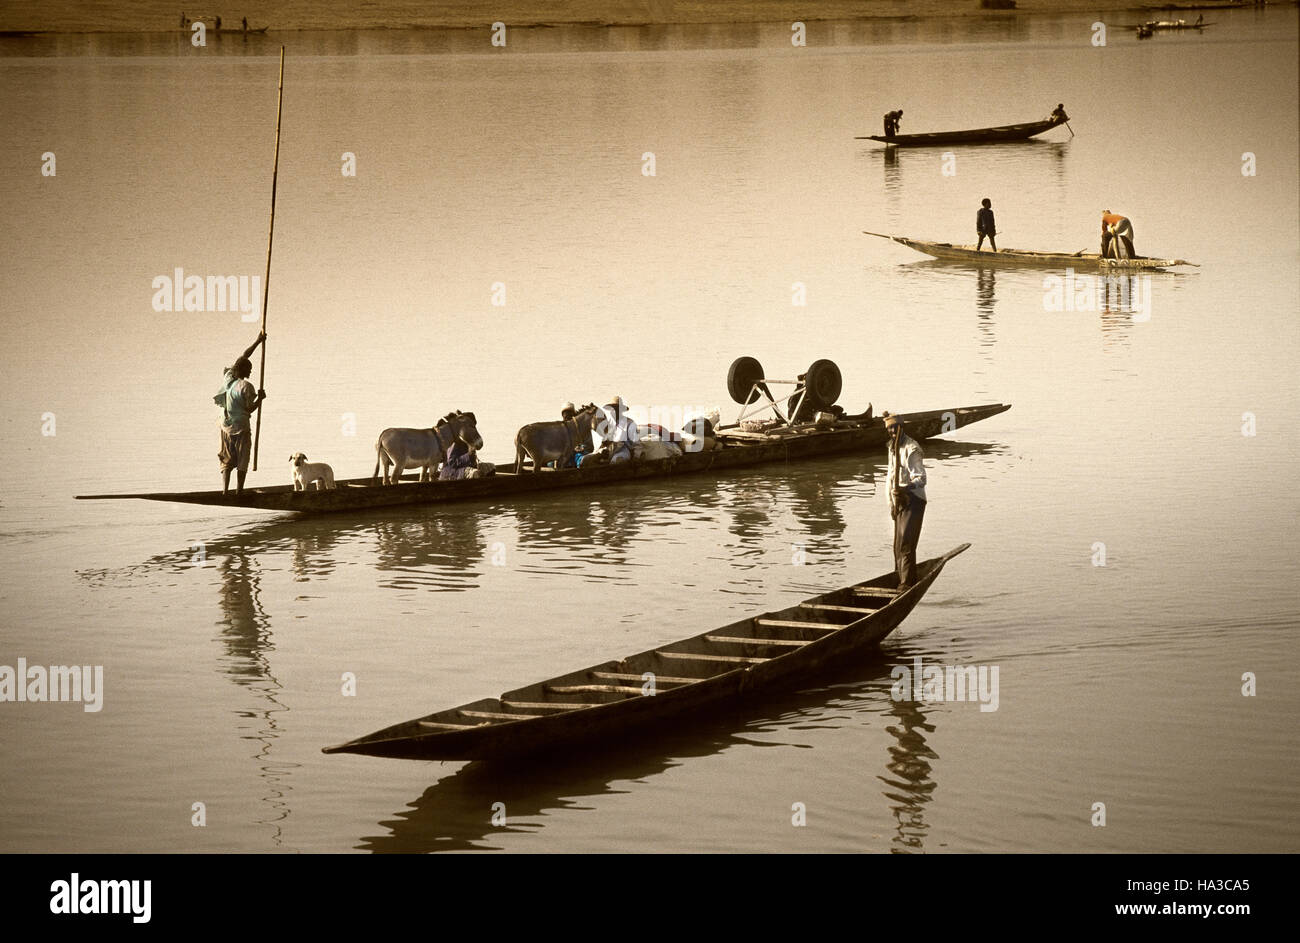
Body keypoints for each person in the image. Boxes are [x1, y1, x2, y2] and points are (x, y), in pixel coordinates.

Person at [214, 333, 266, 494]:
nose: (251, 372)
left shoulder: (228, 378)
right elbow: (249, 409)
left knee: (227, 458)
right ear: (244, 369)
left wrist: (257, 341)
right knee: (243, 457)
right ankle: (239, 491)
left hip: (225, 425)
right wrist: (260, 399)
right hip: (241, 427)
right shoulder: (246, 386)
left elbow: (243, 356)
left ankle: (224, 491)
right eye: (249, 369)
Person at [883, 411, 926, 590]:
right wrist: (892, 502)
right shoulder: (892, 447)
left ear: (901, 427)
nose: (893, 431)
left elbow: (921, 479)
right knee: (897, 544)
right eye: (889, 428)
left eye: (895, 427)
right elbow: (891, 476)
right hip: (898, 501)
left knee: (906, 543)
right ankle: (901, 576)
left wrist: (904, 489)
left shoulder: (911, 448)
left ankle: (906, 583)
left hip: (913, 500)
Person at [600, 395, 640, 464]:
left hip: (623, 450)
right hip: (610, 451)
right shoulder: (609, 424)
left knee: (616, 460)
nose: (614, 411)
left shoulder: (629, 423)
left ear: (621, 410)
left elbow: (636, 443)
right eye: (612, 409)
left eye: (616, 409)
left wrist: (636, 457)